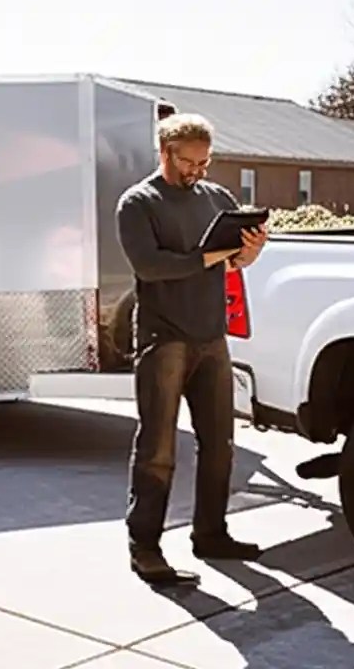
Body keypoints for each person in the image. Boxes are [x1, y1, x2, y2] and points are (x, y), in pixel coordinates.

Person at [115, 112, 268, 585]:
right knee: (158, 449)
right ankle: (145, 547)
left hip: (210, 337)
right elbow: (151, 266)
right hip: (164, 339)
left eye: (205, 161)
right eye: (189, 162)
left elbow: (233, 260)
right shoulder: (138, 203)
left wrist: (250, 251)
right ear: (164, 152)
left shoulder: (217, 198)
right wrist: (212, 257)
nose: (198, 170)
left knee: (220, 444)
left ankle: (211, 534)